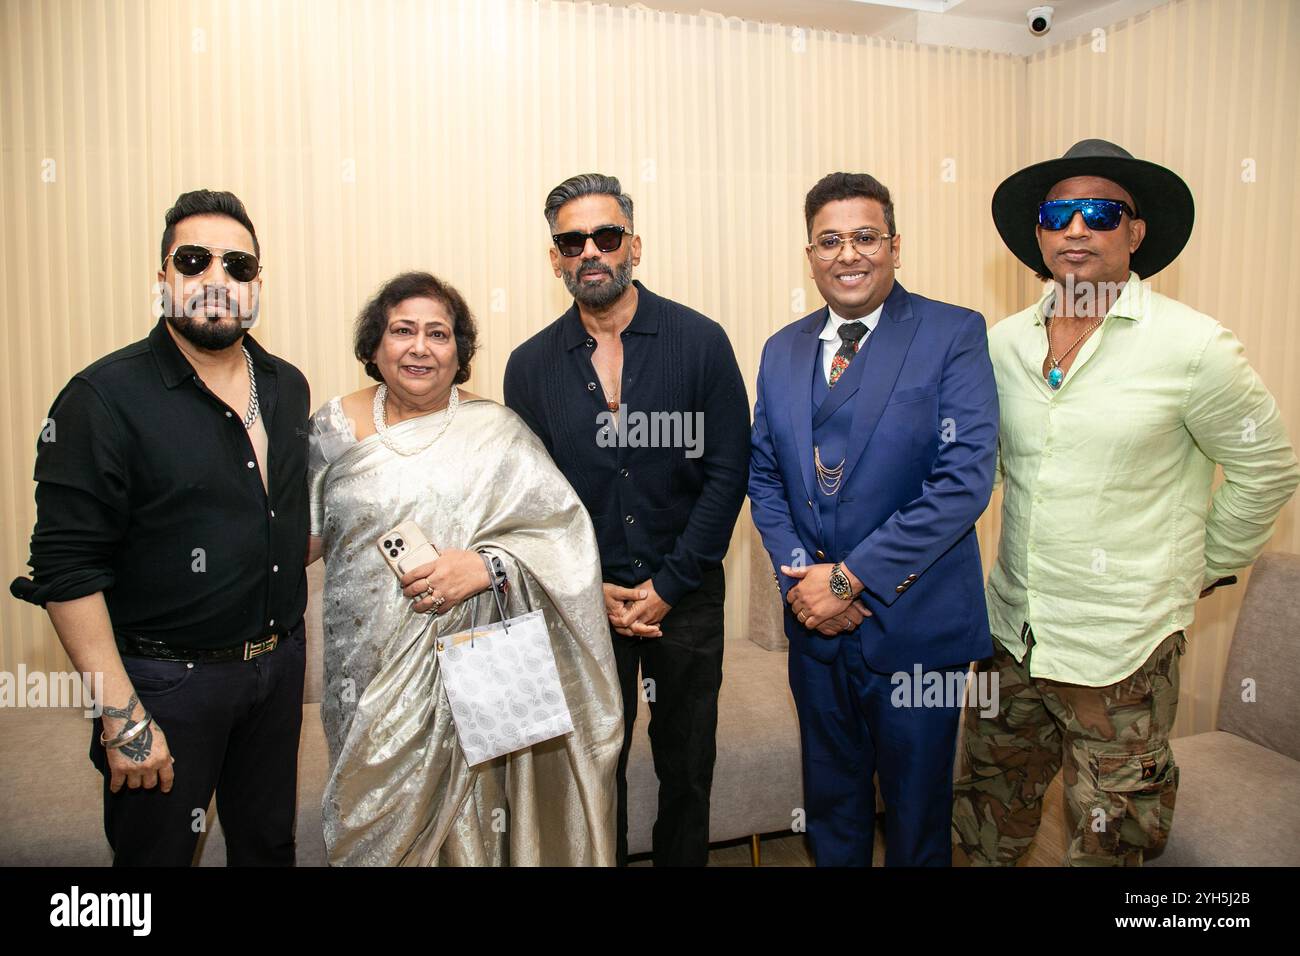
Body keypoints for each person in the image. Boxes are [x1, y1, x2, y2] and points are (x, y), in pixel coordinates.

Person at [953, 139, 1300, 866]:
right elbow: (974, 473)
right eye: (1059, 214)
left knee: (1109, 840)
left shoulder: (1194, 347)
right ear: (1040, 234)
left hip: (1122, 656)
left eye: (1100, 212)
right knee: (985, 817)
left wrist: (1194, 567)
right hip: (1011, 637)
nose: (1077, 229)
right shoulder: (1001, 344)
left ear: (1134, 233)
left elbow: (1267, 466)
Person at [10, 189, 310, 865]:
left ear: (256, 283)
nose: (216, 280)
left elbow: (277, 517)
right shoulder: (103, 399)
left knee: (269, 844)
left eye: (238, 266)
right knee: (157, 858)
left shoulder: (286, 384)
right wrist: (120, 712)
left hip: (277, 666)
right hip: (165, 681)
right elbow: (66, 566)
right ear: (162, 278)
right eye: (194, 260)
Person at [306, 270, 622, 865]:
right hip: (366, 672)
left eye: (439, 334)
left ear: (460, 352)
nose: (420, 347)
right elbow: (299, 540)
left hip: (474, 667)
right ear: (375, 346)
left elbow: (564, 535)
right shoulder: (333, 428)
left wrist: (490, 566)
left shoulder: (497, 431)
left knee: (476, 821)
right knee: (367, 821)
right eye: (402, 331)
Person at [749, 172, 999, 866]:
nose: (848, 254)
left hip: (916, 628)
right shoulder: (782, 349)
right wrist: (808, 583)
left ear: (894, 245)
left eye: (865, 237)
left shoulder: (952, 334)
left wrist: (848, 582)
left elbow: (963, 482)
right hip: (818, 634)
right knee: (832, 809)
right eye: (830, 240)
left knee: (918, 820)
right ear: (810, 255)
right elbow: (764, 477)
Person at [503, 174, 750, 866]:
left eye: (606, 236)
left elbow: (728, 474)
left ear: (633, 246)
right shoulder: (528, 366)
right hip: (583, 606)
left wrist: (669, 586)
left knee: (687, 770)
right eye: (571, 241)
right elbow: (534, 499)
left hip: (688, 598)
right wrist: (586, 587)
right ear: (554, 258)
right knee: (592, 771)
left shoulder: (699, 342)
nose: (590, 251)